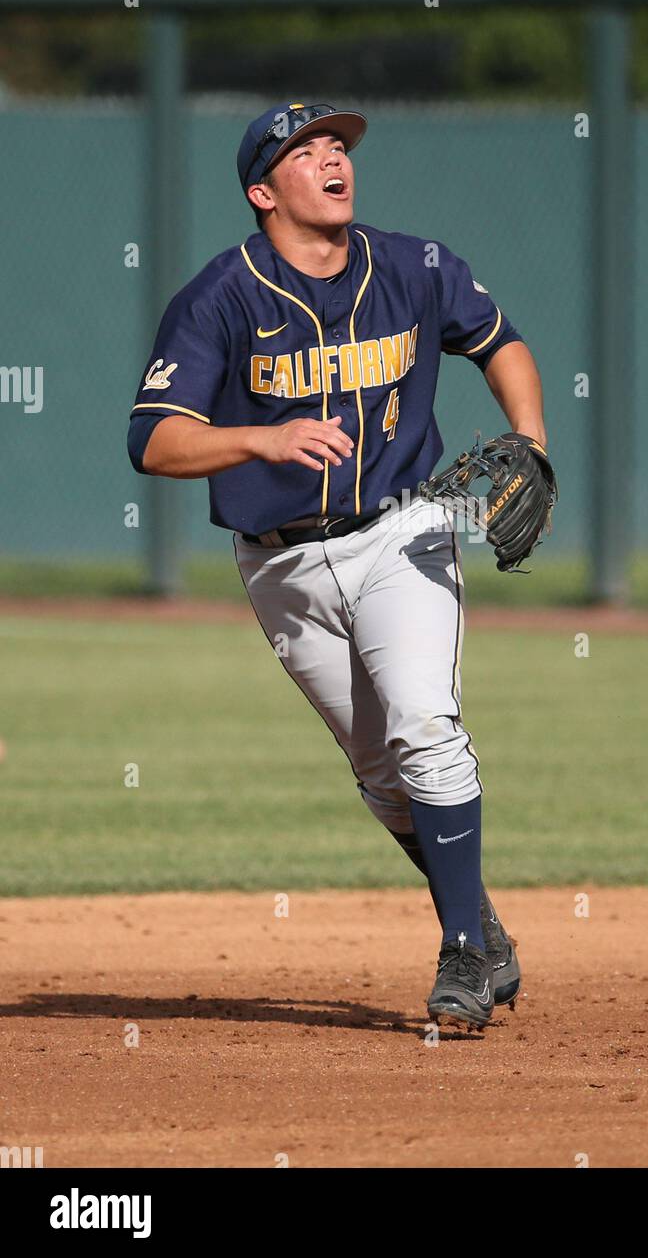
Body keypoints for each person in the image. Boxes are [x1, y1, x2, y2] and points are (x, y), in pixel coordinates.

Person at [128, 101, 548, 1031]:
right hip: (281, 568)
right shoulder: (218, 298)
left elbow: (501, 342)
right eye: (306, 151)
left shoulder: (414, 266)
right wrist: (260, 440)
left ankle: (463, 956)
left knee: (422, 726)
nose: (332, 160)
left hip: (405, 532)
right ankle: (479, 921)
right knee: (381, 774)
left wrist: (532, 442)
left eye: (338, 147)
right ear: (261, 191)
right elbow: (154, 442)